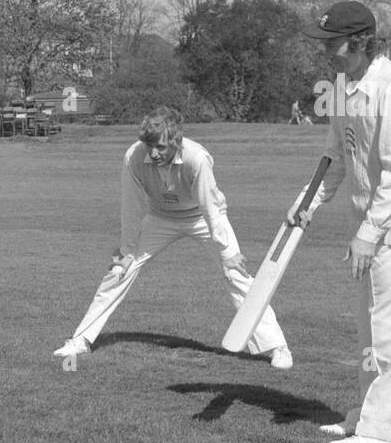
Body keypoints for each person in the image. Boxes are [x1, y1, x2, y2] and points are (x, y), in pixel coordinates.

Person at [288, 2, 391, 443]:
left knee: (390, 328)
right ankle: (365, 416)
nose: (328, 50)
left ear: (361, 41)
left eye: (334, 41)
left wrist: (369, 234)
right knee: (368, 327)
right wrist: (305, 204)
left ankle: (384, 432)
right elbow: (335, 157)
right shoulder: (344, 86)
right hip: (365, 222)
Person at [53, 105, 293, 367]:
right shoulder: (133, 156)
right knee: (117, 270)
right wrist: (127, 252)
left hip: (201, 218)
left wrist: (227, 253)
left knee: (236, 273)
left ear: (177, 142)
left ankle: (277, 347)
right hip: (159, 218)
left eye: (161, 147)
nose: (154, 153)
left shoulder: (197, 158)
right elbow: (131, 207)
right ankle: (81, 339)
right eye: (149, 146)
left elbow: (210, 206)